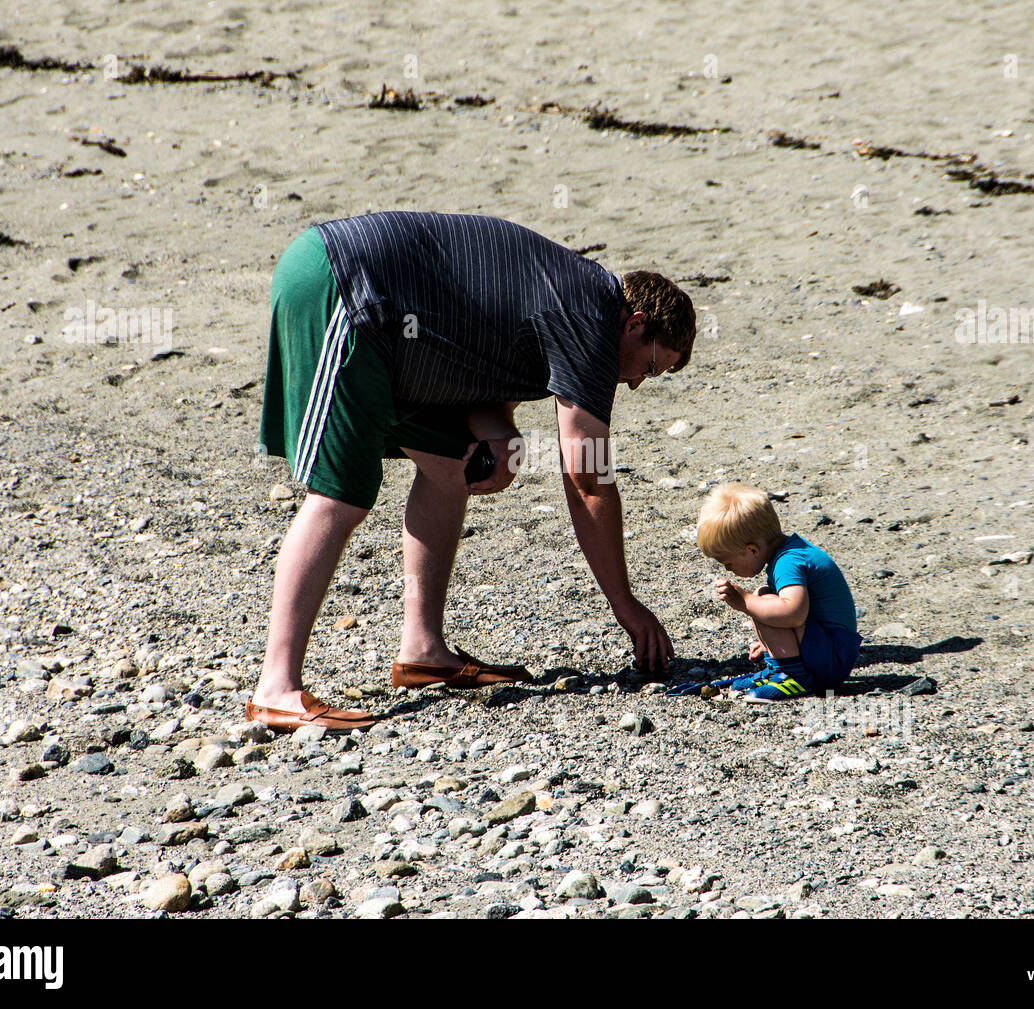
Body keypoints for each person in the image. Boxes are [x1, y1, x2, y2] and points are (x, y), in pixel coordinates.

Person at [246, 211, 696, 732]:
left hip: (396, 331)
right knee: (341, 494)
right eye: (652, 364)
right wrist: (627, 605)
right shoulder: (592, 315)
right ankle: (276, 688)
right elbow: (588, 478)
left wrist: (503, 441)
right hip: (344, 284)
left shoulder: (571, 298)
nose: (639, 382)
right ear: (636, 323)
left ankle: (422, 650)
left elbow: (488, 381)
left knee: (453, 465)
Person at [693, 483, 861, 702]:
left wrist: (744, 601)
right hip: (830, 651)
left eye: (728, 563)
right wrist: (770, 643)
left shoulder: (788, 562)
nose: (727, 569)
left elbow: (793, 613)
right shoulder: (790, 551)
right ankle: (778, 669)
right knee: (763, 595)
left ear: (752, 550)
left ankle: (793, 676)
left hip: (831, 661)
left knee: (762, 598)